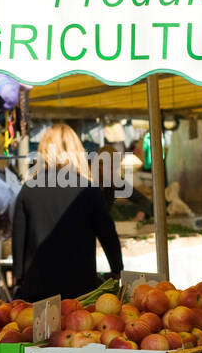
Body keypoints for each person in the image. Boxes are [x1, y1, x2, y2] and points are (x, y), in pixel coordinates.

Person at [13, 124, 122, 300]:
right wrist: (117, 271)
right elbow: (108, 236)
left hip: (37, 290)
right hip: (80, 291)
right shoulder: (89, 190)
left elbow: (19, 241)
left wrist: (18, 277)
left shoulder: (28, 190)